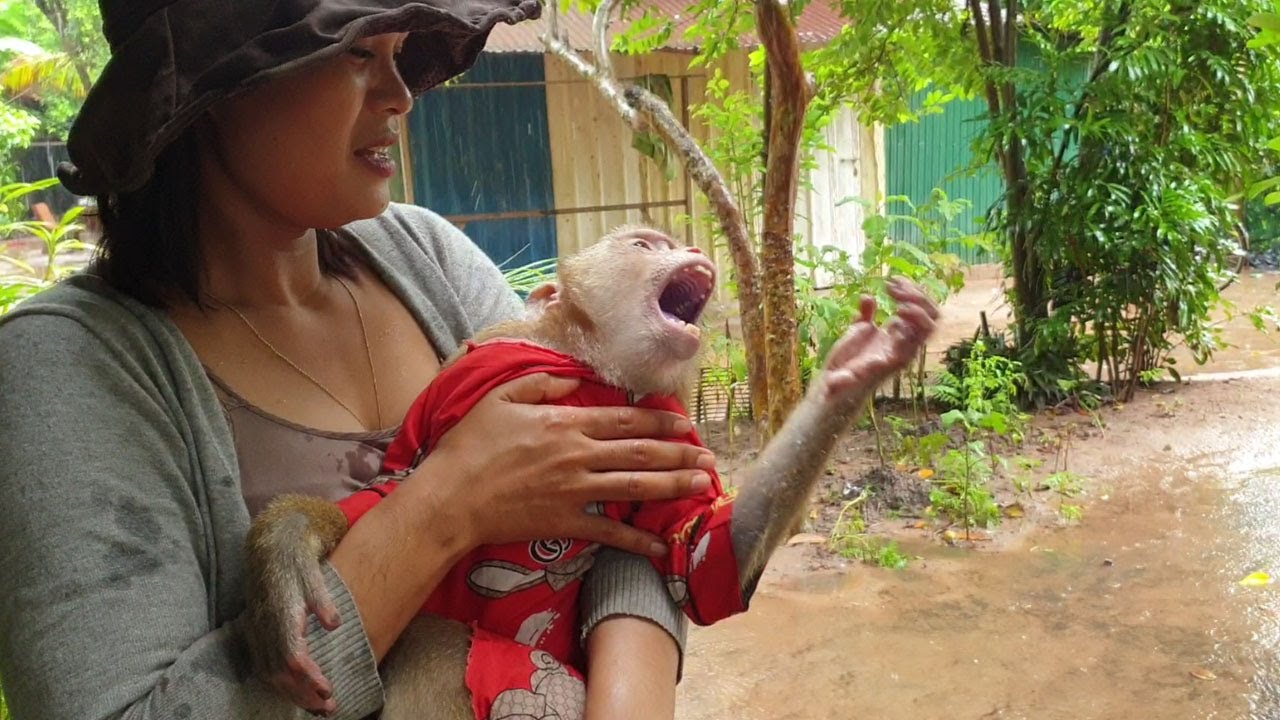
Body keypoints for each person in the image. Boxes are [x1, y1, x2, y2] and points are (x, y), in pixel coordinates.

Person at [0, 1, 713, 718]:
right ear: (216, 90)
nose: (400, 93)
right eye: (355, 54)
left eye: (399, 53)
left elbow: (631, 502)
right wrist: (444, 508)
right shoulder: (69, 366)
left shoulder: (429, 257)